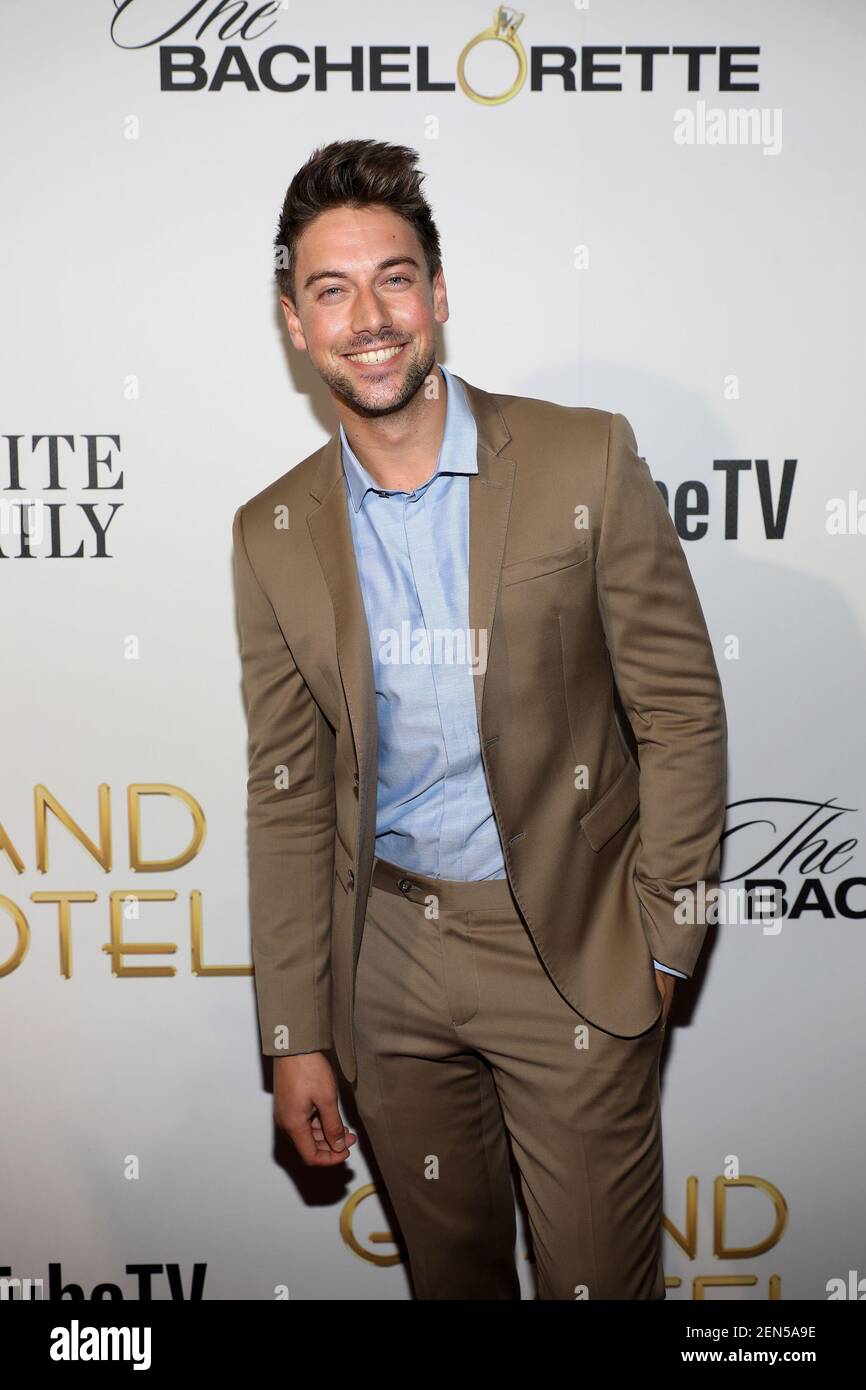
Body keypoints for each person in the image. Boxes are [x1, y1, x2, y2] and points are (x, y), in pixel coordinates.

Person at [231, 138, 727, 1300]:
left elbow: (682, 712)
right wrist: (296, 1030)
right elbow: (286, 791)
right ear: (295, 324)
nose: (368, 315)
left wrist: (660, 945)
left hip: (566, 943)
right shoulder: (271, 532)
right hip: (385, 965)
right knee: (451, 1282)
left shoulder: (581, 456)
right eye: (329, 289)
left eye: (393, 278)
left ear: (437, 295)